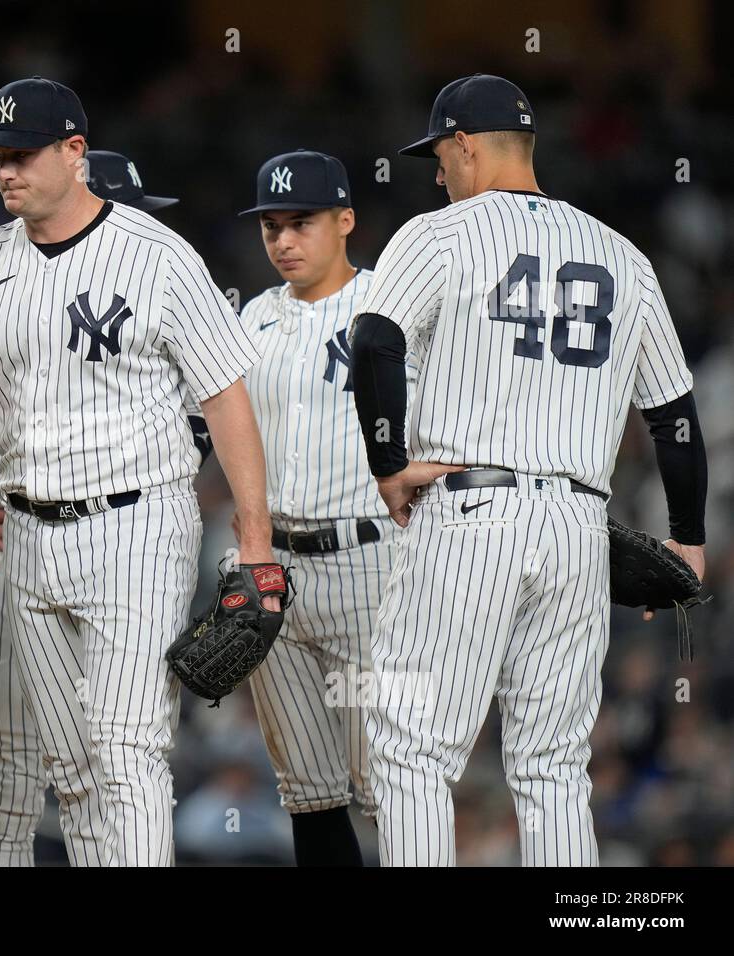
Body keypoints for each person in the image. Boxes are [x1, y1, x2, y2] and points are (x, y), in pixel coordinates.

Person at [0, 76, 281, 867]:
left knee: (126, 750)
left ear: (75, 152)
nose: (6, 170)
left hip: (134, 523)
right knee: (73, 769)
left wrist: (255, 538)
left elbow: (226, 398)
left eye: (23, 153)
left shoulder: (156, 254)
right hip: (26, 534)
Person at [349, 74, 706, 866]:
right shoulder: (624, 255)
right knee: (552, 766)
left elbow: (375, 342)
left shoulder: (437, 235)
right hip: (579, 524)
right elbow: (675, 417)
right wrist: (686, 540)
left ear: (467, 146)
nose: (436, 175)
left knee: (411, 748)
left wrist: (387, 463)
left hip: (472, 512)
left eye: (439, 156)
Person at [0, 146, 198, 866]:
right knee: (10, 769)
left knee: (120, 759)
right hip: (8, 531)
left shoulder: (157, 304)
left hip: (117, 536)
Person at [237, 149, 398, 866]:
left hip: (372, 570)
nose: (282, 241)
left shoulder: (390, 307)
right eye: (271, 226)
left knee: (394, 780)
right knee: (308, 787)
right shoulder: (251, 318)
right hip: (277, 575)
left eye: (300, 222)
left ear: (345, 221)